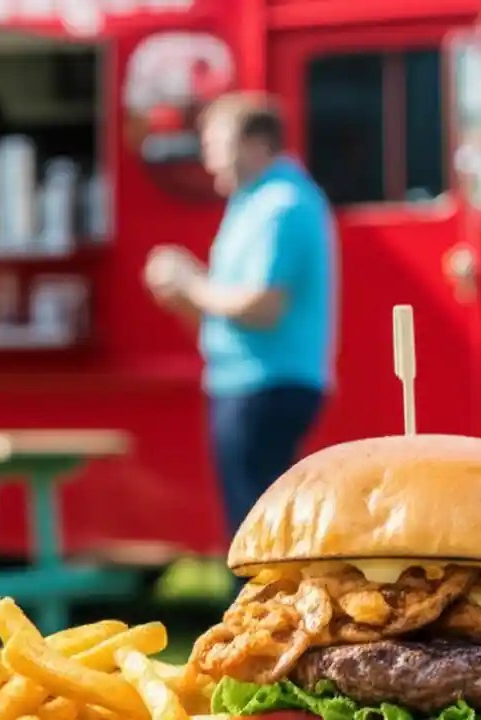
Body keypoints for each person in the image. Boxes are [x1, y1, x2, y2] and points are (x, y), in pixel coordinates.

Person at [143, 93, 337, 543]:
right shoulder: (253, 202)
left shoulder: (281, 203)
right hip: (247, 382)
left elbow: (263, 307)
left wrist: (189, 280)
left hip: (267, 384)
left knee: (256, 532)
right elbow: (227, 314)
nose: (207, 157)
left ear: (256, 143)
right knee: (249, 524)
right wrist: (182, 293)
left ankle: (265, 612)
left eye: (216, 142)